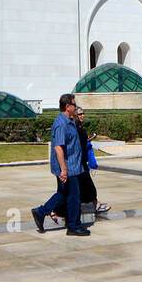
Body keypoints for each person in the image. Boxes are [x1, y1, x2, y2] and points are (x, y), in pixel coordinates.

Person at [30, 93, 89, 236]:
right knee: (74, 196)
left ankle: (41, 211)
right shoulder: (61, 124)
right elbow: (58, 147)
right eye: (74, 105)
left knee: (64, 194)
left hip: (73, 165)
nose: (76, 107)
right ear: (67, 106)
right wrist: (63, 169)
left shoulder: (69, 120)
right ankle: (73, 226)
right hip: (68, 167)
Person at [51, 107, 109, 224]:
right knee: (69, 191)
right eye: (80, 114)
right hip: (76, 164)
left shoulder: (76, 126)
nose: (83, 116)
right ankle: (52, 211)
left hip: (79, 162)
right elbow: (62, 146)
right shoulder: (71, 126)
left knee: (75, 191)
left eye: (83, 113)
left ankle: (58, 212)